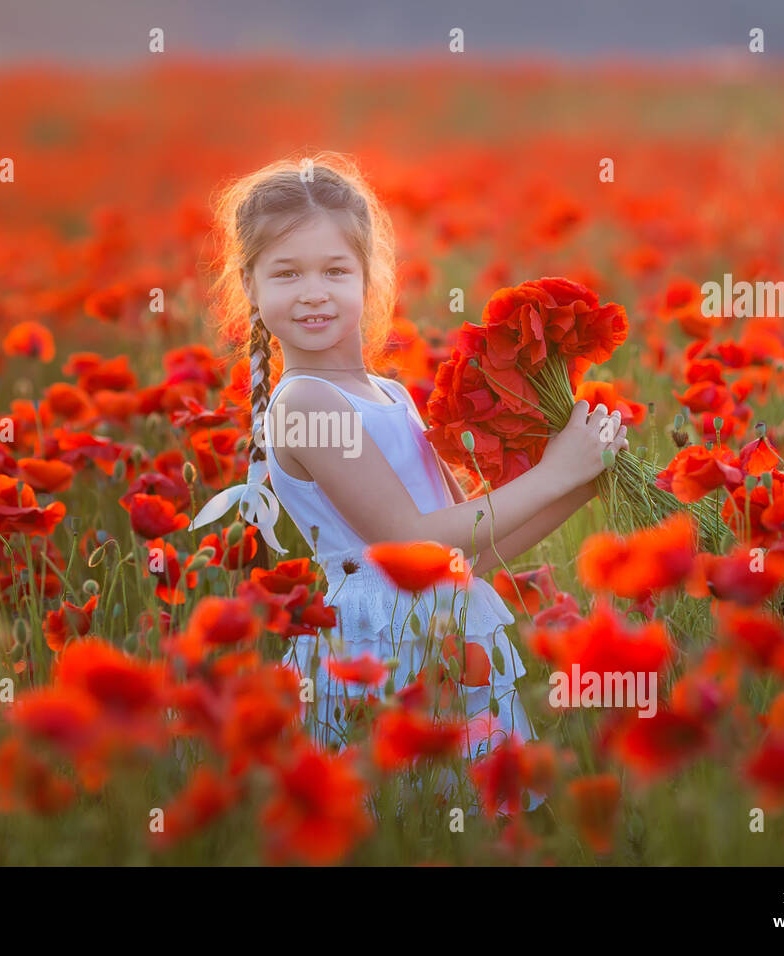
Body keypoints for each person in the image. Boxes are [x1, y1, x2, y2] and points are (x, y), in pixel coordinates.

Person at [190, 152, 628, 814]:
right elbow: (410, 541)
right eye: (286, 274)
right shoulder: (303, 405)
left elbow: (471, 556)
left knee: (472, 822)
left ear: (369, 277)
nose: (313, 292)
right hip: (376, 647)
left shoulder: (389, 396)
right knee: (404, 822)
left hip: (446, 629)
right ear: (249, 286)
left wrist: (578, 483)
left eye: (335, 271)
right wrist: (553, 473)